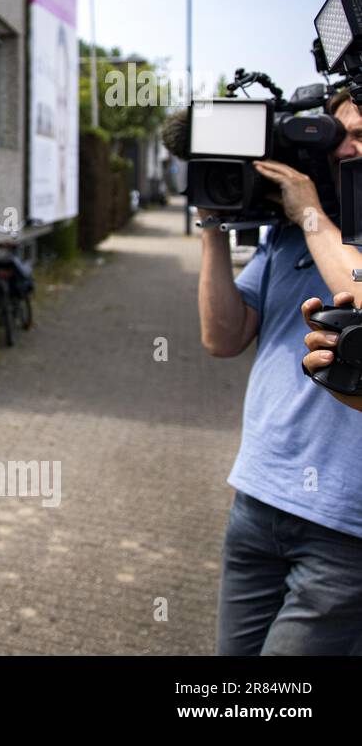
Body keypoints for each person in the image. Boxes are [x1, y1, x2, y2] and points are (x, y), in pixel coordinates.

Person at [199, 87, 362, 655]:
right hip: (259, 497)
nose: (346, 150)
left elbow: (358, 290)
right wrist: (214, 228)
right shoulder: (290, 232)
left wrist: (312, 212)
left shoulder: (312, 222)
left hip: (345, 527)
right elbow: (223, 336)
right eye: (339, 137)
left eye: (361, 137)